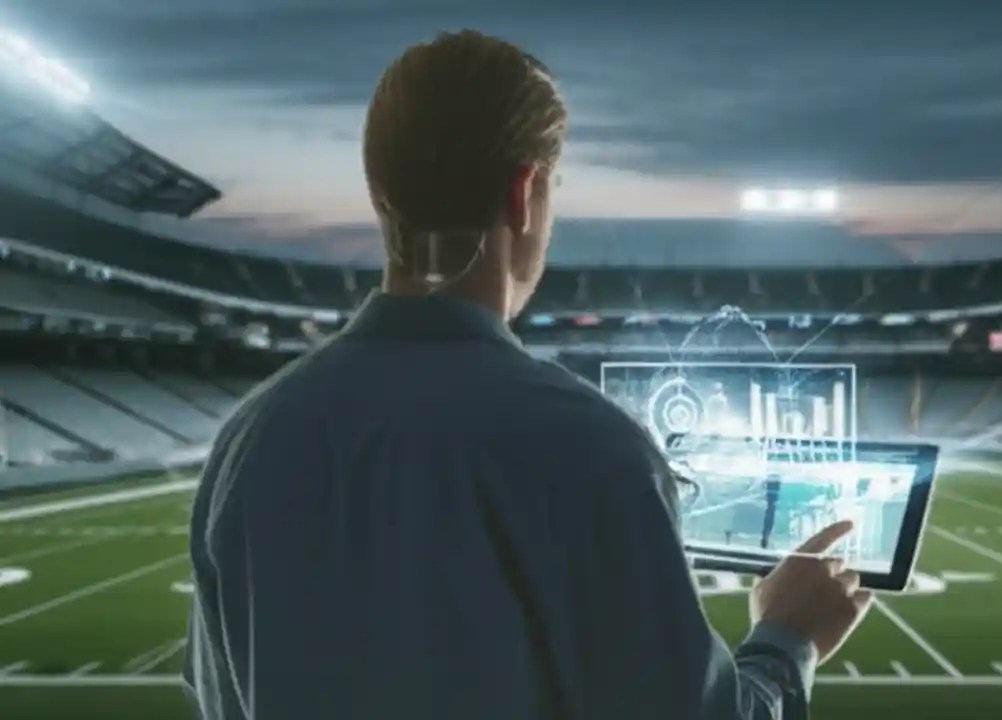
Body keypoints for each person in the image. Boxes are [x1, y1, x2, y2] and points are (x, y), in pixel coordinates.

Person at [184, 30, 873, 720]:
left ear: (380, 194)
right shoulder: (589, 445)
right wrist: (787, 639)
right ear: (524, 193)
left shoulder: (250, 440)